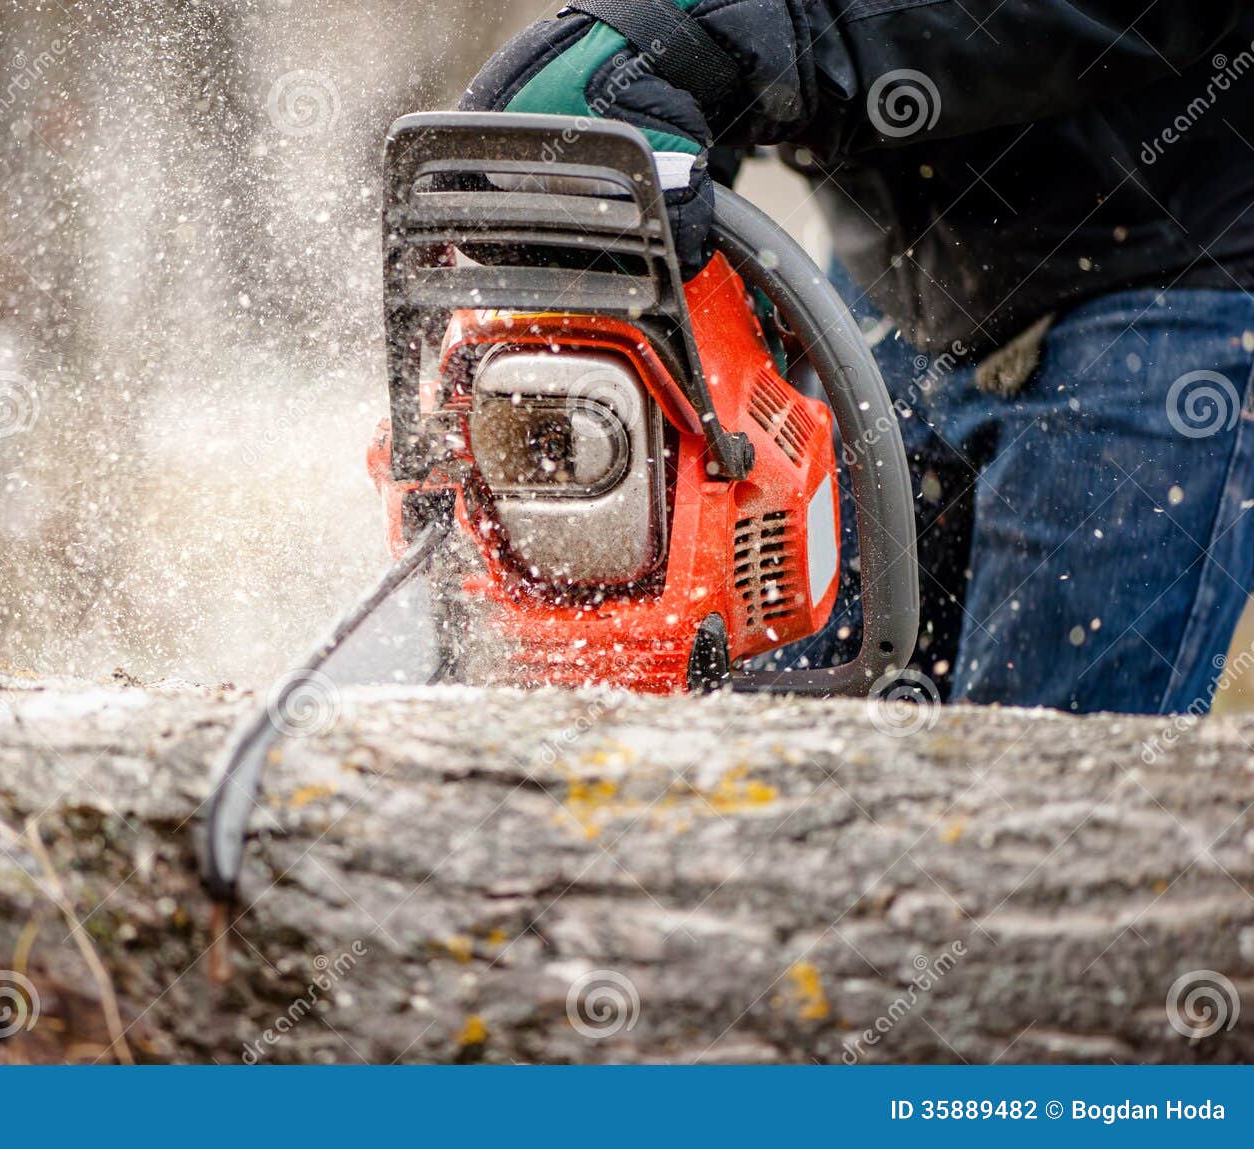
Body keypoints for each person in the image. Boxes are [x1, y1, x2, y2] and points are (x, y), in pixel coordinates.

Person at [462, 2, 1254, 714]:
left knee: (1034, 802)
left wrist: (776, 34)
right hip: (890, 281)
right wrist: (665, 84)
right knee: (775, 727)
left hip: (1159, 274)